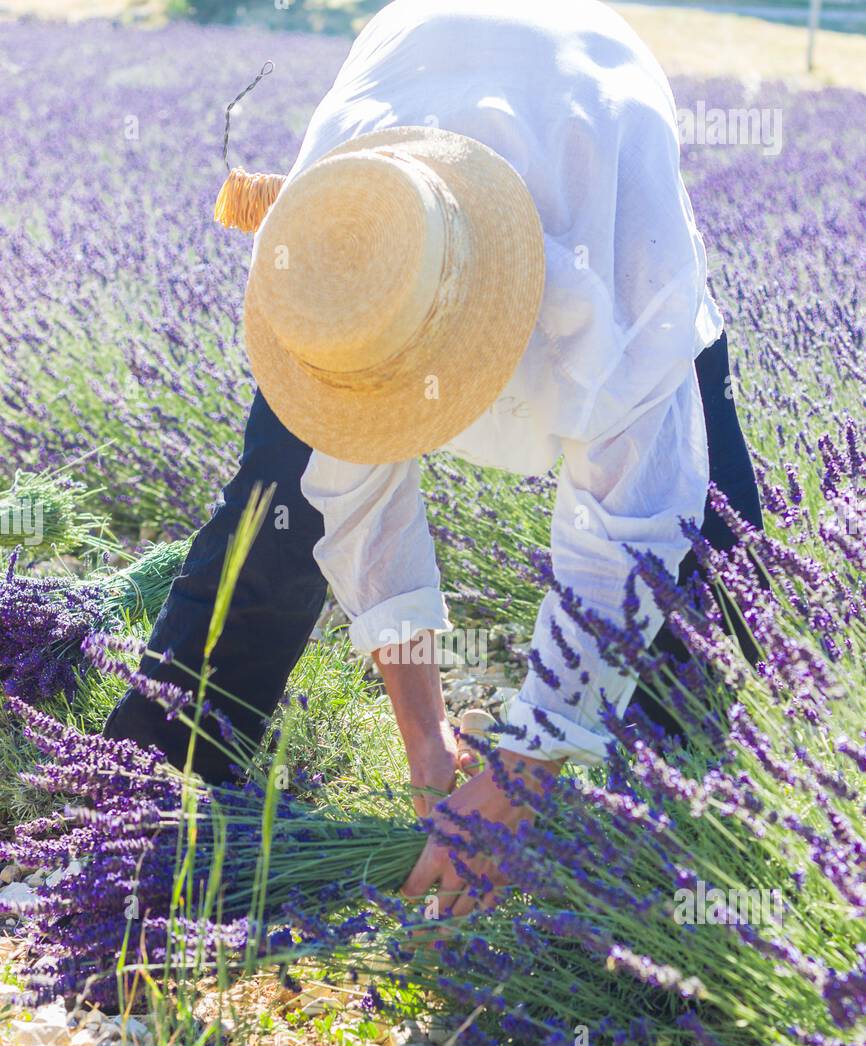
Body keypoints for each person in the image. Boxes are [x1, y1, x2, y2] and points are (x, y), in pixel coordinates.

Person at [105, 0, 762, 917]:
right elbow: (359, 509)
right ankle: (142, 788)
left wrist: (522, 773)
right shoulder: (348, 234)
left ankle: (668, 858)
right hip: (409, 79)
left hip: (591, 139)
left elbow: (631, 531)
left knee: (713, 548)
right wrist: (425, 737)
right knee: (280, 506)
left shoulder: (616, 274)